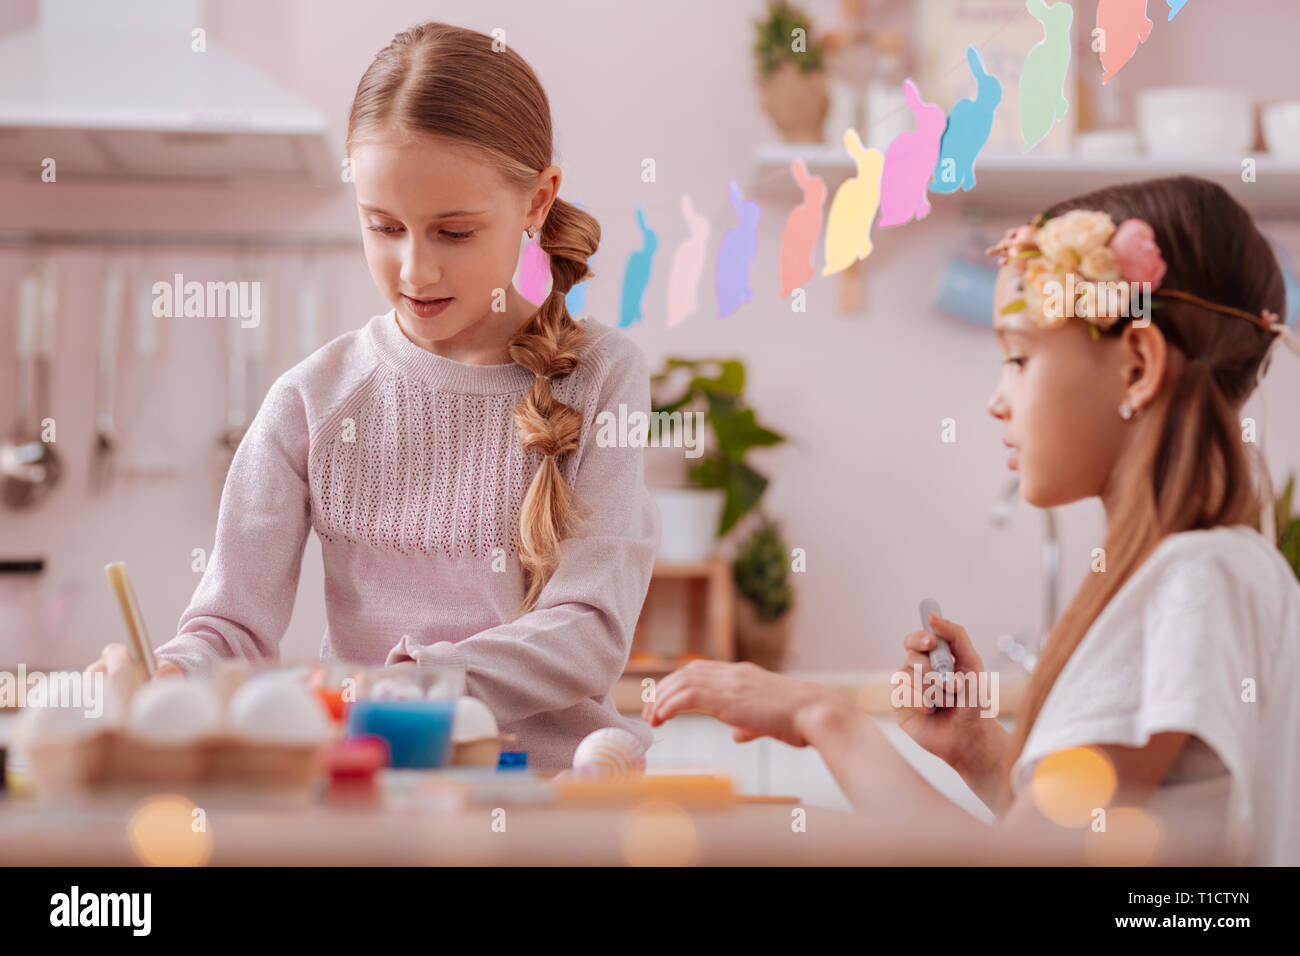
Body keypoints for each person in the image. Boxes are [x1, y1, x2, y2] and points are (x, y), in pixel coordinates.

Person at [645, 176, 1300, 864]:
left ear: (1137, 364)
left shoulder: (1192, 579)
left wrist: (823, 716)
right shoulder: (1233, 570)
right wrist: (984, 757)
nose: (996, 400)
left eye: (1019, 358)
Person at [90, 21, 660, 770]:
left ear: (537, 202)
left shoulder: (602, 376)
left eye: (453, 232)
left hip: (554, 801)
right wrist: (165, 679)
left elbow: (586, 628)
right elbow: (230, 627)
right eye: (383, 227)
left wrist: (417, 688)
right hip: (370, 801)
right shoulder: (312, 399)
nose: (414, 270)